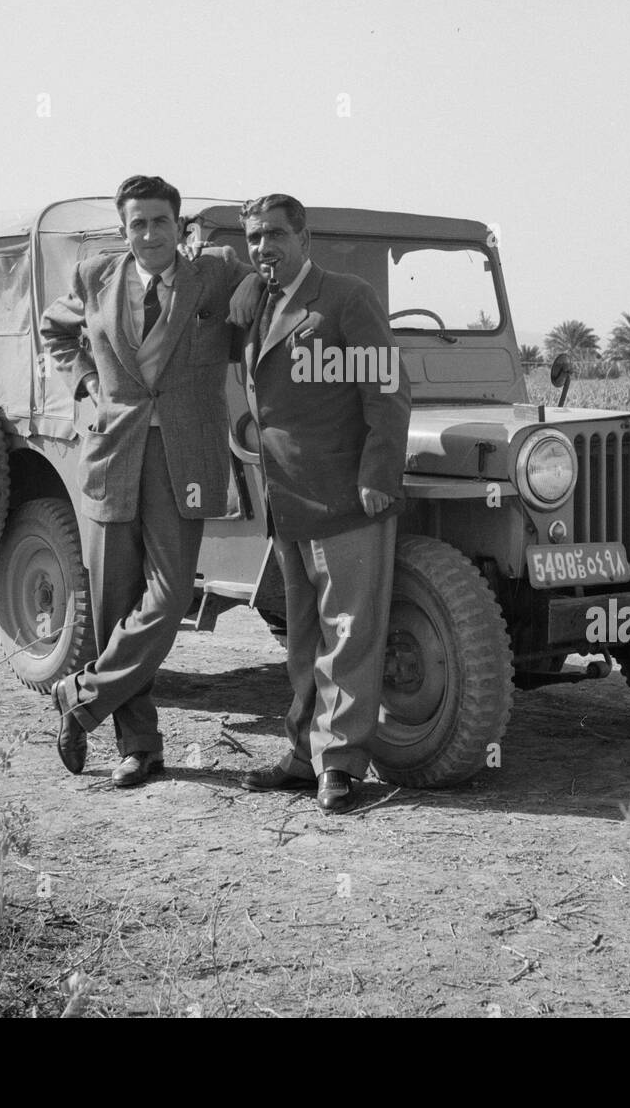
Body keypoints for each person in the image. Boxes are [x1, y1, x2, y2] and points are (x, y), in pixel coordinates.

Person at [40, 175, 256, 787]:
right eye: (138, 223)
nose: (150, 234)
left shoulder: (209, 273)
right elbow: (56, 332)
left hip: (185, 457)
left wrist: (247, 289)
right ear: (123, 229)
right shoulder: (94, 278)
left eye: (161, 222)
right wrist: (86, 384)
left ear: (179, 228)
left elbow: (255, 279)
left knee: (169, 596)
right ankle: (139, 747)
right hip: (114, 454)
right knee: (114, 605)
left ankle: (78, 697)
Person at [237, 194, 411, 813]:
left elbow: (387, 390)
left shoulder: (345, 297)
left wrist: (379, 472)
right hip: (285, 498)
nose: (264, 248)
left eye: (276, 235)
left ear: (304, 238)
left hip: (346, 494)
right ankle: (301, 753)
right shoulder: (257, 302)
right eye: (254, 238)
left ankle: (339, 765)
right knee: (303, 636)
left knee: (350, 633)